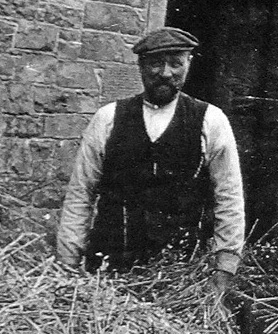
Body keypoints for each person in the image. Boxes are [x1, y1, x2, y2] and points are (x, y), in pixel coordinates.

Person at [56, 26, 245, 296]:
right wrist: (68, 265)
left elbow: (229, 198)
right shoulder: (107, 119)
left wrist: (224, 270)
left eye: (176, 63)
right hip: (108, 274)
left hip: (180, 278)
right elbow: (80, 194)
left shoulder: (211, 121)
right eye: (156, 63)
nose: (165, 73)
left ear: (189, 64)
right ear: (141, 65)